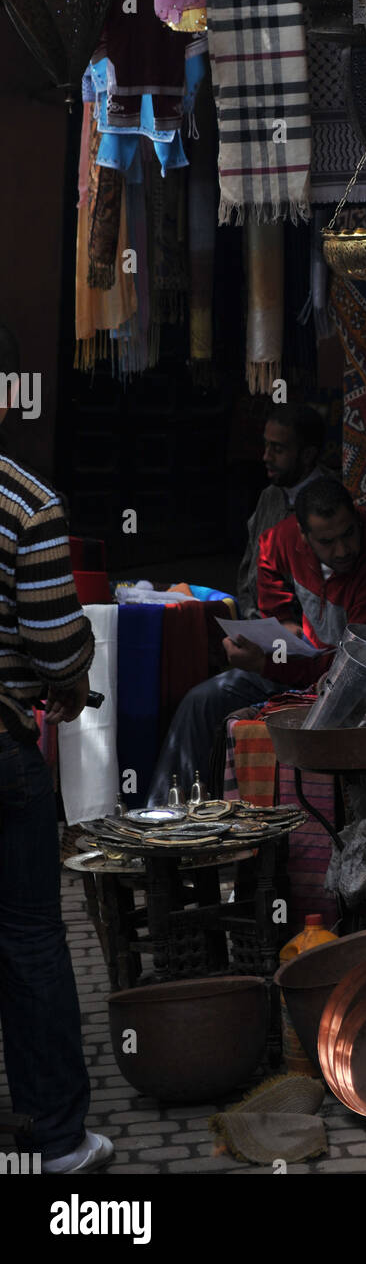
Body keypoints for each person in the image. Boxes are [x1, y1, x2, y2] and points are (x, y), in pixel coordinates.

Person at [0, 325, 113, 1173]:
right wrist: (70, 677)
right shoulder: (24, 503)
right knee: (30, 935)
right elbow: (53, 639)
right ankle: (57, 1141)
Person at [146, 478, 366, 804]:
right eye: (327, 541)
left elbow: (352, 671)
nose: (342, 550)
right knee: (201, 701)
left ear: (358, 519)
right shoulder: (283, 539)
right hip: (297, 663)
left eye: (348, 534)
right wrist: (281, 622)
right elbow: (269, 561)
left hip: (349, 686)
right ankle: (165, 813)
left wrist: (266, 664)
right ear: (303, 535)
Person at [236, 403, 329, 619]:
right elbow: (247, 571)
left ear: (307, 455)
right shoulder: (270, 496)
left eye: (278, 449)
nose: (266, 457)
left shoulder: (331, 502)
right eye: (266, 445)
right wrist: (250, 616)